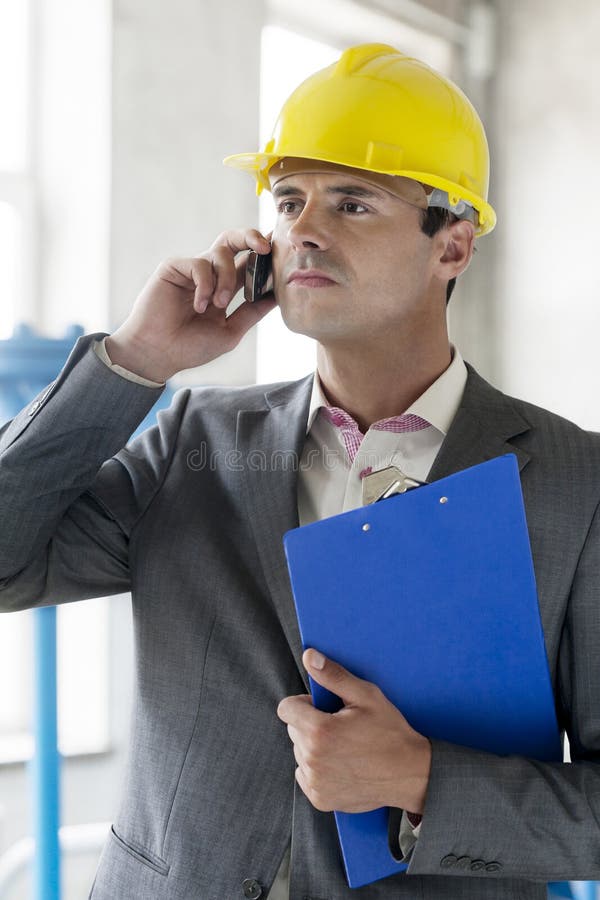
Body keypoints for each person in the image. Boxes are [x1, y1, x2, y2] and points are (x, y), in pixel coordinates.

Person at [1, 42, 600, 900]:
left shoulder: (576, 481)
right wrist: (134, 361)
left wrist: (425, 780)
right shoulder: (194, 443)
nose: (303, 230)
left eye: (353, 203)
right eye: (288, 200)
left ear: (453, 247)